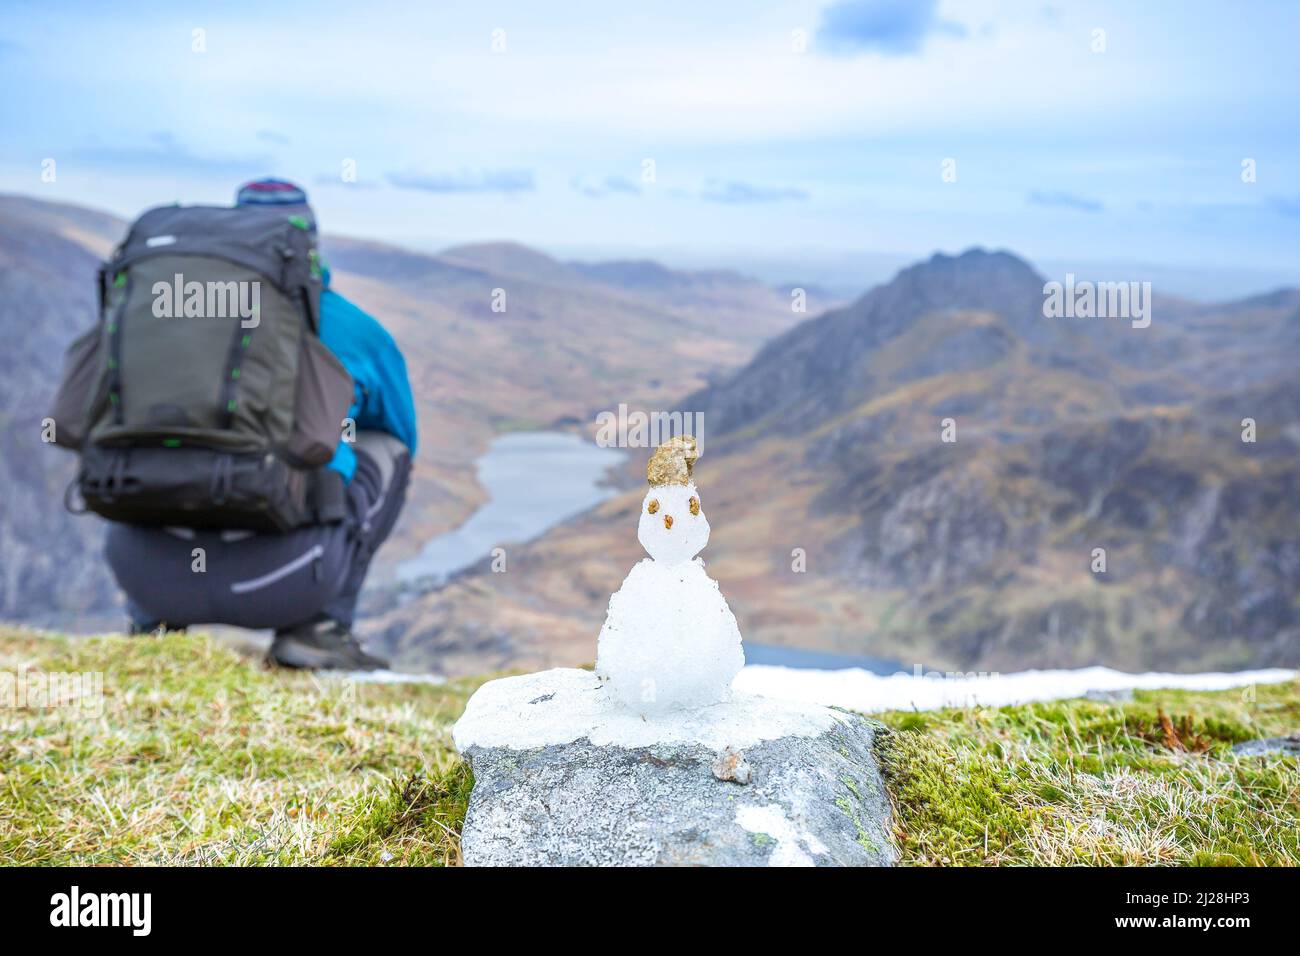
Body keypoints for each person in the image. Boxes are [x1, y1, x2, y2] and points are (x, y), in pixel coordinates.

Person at [104, 179, 417, 670]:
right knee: (387, 448)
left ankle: (152, 625)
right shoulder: (352, 328)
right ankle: (318, 631)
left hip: (142, 570)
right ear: (308, 244)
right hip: (285, 580)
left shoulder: (159, 313)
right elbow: (401, 432)